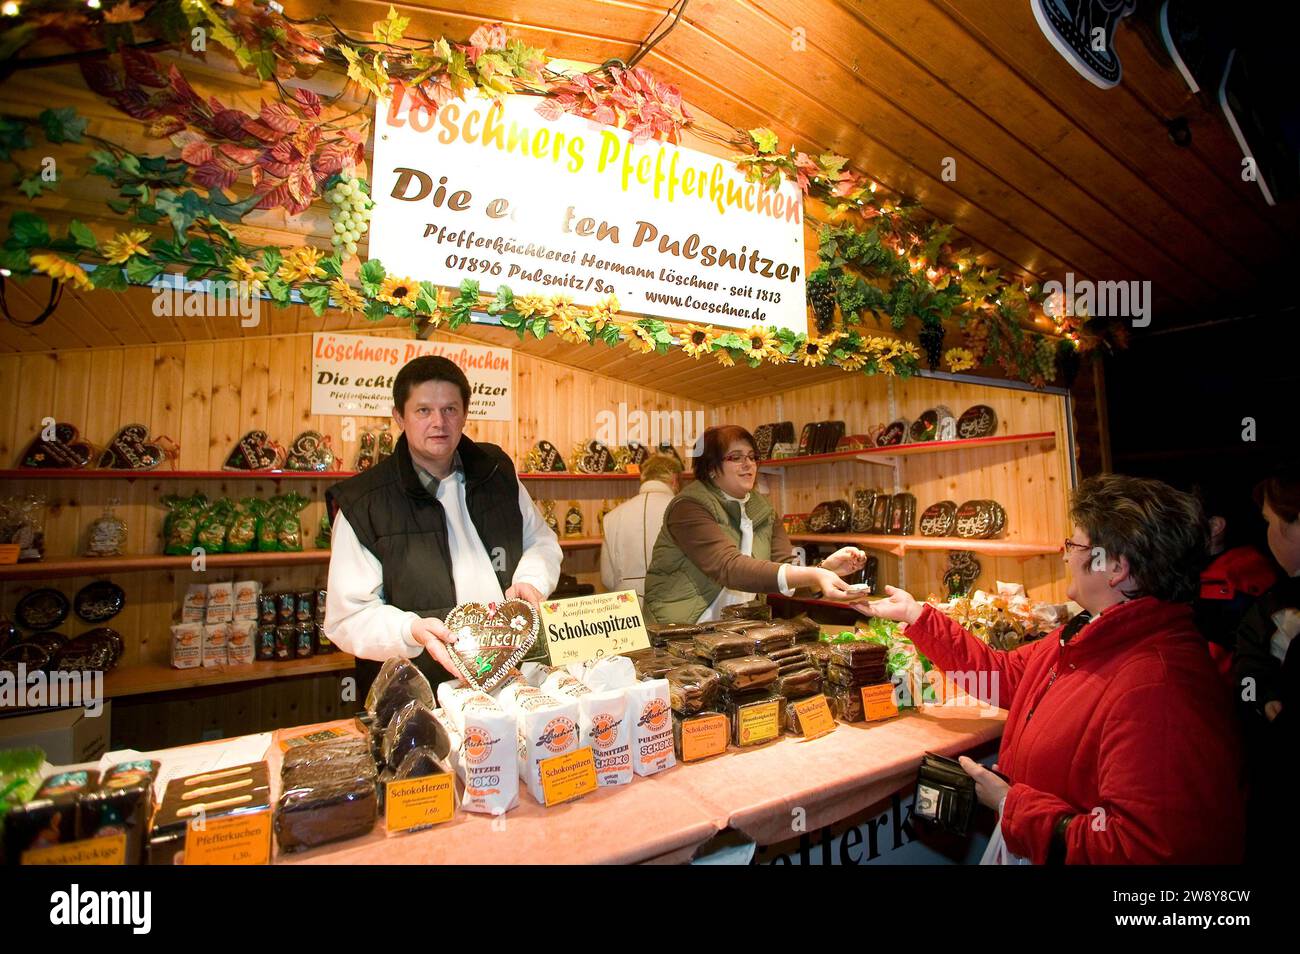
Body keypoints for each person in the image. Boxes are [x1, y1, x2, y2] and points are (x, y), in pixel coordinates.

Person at [856, 474, 1244, 864]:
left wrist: (1012, 804)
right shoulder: (1088, 634)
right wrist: (917, 616)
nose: (1065, 554)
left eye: (1075, 544)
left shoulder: (1158, 686)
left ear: (1115, 568)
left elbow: (1142, 849)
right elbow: (1003, 676)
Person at [324, 355, 562, 698]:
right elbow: (346, 619)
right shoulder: (364, 502)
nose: (439, 422)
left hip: (515, 682)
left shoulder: (497, 473)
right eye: (423, 411)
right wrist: (410, 630)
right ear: (399, 417)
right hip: (423, 695)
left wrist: (531, 580)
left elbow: (540, 541)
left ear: (465, 414)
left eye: (450, 409)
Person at [643, 425, 866, 625]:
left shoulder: (763, 510)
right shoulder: (688, 507)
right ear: (711, 467)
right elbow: (729, 568)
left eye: (752, 456)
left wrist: (824, 569)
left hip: (734, 631)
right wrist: (816, 575)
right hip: (681, 631)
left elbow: (787, 572)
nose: (748, 464)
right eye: (736, 457)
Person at [1233, 464, 1300, 862]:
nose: (1269, 535)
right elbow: (1249, 669)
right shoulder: (1273, 602)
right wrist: (1262, 697)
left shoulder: (1278, 603)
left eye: (1271, 522)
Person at [1191, 481, 1277, 688]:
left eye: (1188, 519)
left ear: (1215, 526)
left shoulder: (1237, 583)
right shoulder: (1196, 571)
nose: (1178, 527)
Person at [600, 453, 683, 601]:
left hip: (627, 609)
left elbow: (607, 578)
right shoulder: (686, 510)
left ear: (643, 478)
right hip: (675, 604)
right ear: (675, 479)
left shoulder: (611, 517)